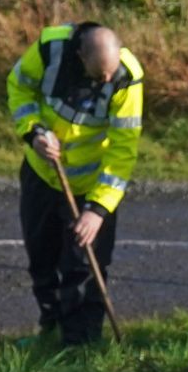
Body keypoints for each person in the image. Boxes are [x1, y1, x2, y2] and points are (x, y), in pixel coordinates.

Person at [10, 22, 144, 348]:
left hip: (91, 187)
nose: (108, 81)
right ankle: (51, 330)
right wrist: (34, 132)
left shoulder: (127, 77)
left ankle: (81, 346)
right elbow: (19, 87)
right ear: (80, 55)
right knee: (41, 258)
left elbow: (123, 149)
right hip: (43, 174)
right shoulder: (49, 48)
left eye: (111, 72)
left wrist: (98, 209)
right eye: (100, 75)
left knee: (83, 268)